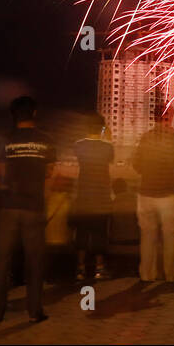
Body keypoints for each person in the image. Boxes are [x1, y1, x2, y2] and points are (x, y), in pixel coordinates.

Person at [0, 96, 54, 323]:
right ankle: (35, 311)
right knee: (34, 262)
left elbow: (0, 173)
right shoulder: (46, 140)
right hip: (33, 207)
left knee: (1, 261)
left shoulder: (5, 140)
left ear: (14, 115)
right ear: (34, 113)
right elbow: (49, 174)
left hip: (8, 207)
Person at [132, 102, 174, 283]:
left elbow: (136, 164)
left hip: (146, 193)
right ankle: (170, 274)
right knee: (169, 237)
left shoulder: (146, 138)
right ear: (171, 116)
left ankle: (146, 273)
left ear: (154, 117)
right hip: (169, 195)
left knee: (147, 237)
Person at [70, 114, 113, 282]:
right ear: (101, 127)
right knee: (100, 233)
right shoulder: (107, 147)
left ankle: (80, 269)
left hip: (83, 194)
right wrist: (106, 136)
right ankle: (99, 268)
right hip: (101, 195)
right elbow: (109, 161)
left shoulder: (78, 145)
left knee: (81, 232)